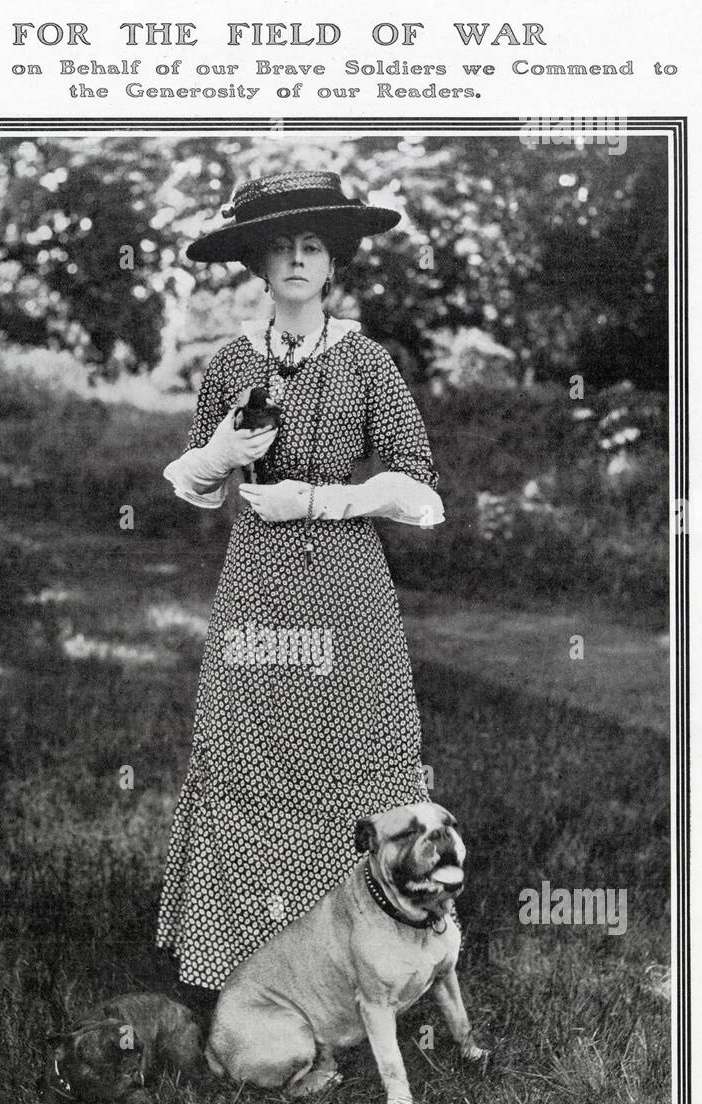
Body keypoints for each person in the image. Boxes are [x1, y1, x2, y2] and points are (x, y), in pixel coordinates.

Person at [156, 169, 446, 1009]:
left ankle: (365, 969)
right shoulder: (231, 361)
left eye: (311, 245)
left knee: (350, 761)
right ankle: (243, 970)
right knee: (247, 757)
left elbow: (422, 493)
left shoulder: (364, 361)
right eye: (278, 245)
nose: (295, 258)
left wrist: (321, 499)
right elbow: (191, 482)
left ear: (333, 262)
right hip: (256, 582)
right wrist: (220, 451)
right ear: (255, 261)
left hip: (346, 584)